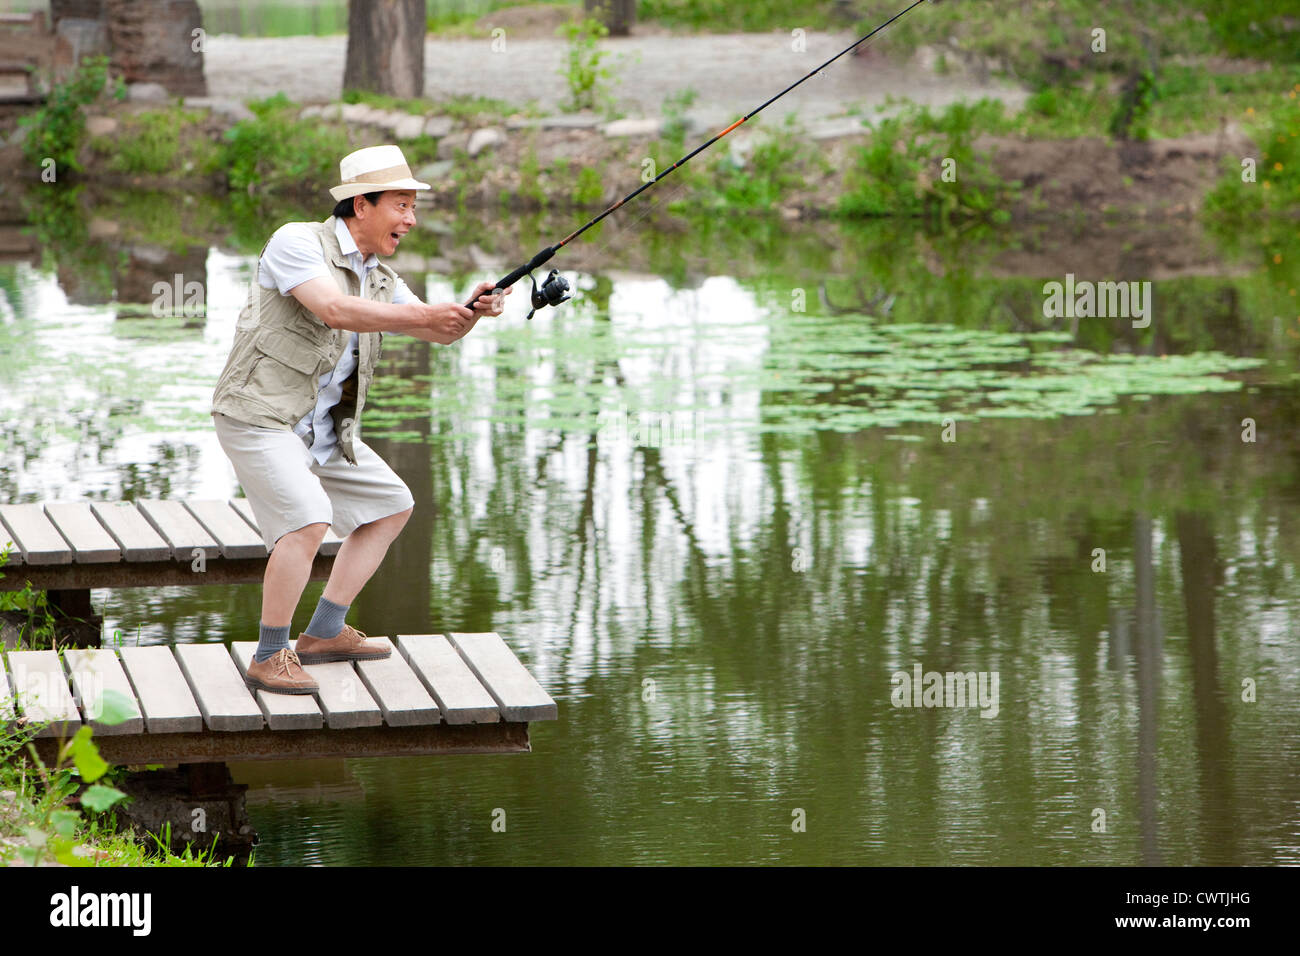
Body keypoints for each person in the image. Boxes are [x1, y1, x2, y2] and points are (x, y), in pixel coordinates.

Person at [210, 144, 512, 694]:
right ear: (361, 205)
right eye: (401, 204)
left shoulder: (381, 278)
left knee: (390, 505)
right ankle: (269, 654)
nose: (411, 220)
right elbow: (334, 309)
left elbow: (434, 330)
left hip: (322, 430)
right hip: (260, 417)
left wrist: (471, 312)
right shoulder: (297, 242)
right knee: (307, 519)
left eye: (412, 207)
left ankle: (323, 633)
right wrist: (424, 314)